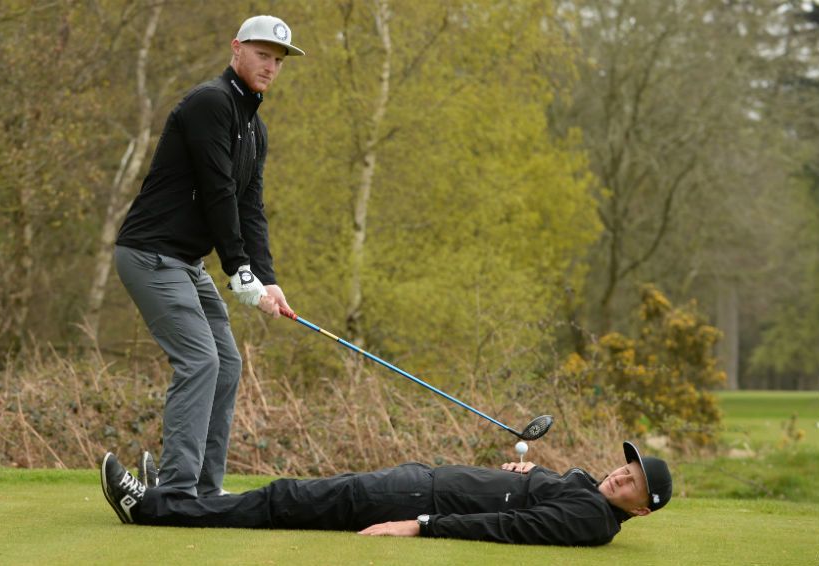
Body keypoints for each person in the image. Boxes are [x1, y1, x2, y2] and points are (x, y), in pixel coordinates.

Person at [112, 15, 304, 498]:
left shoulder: (255, 128)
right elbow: (216, 190)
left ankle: (204, 490)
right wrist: (238, 270)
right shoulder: (210, 103)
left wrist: (266, 277)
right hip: (150, 255)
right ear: (236, 49)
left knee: (227, 362)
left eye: (278, 60)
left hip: (187, 264)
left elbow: (249, 206)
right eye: (262, 55)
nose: (270, 67)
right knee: (200, 362)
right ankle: (176, 492)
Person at [100, 441, 672, 546]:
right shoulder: (587, 496)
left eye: (633, 483)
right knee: (289, 498)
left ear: (640, 508)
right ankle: (176, 502)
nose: (621, 476)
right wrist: (530, 474)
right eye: (627, 467)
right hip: (420, 479)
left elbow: (509, 528)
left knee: (285, 499)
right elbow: (531, 502)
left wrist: (419, 524)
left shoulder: (589, 519)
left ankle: (149, 507)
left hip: (413, 499)